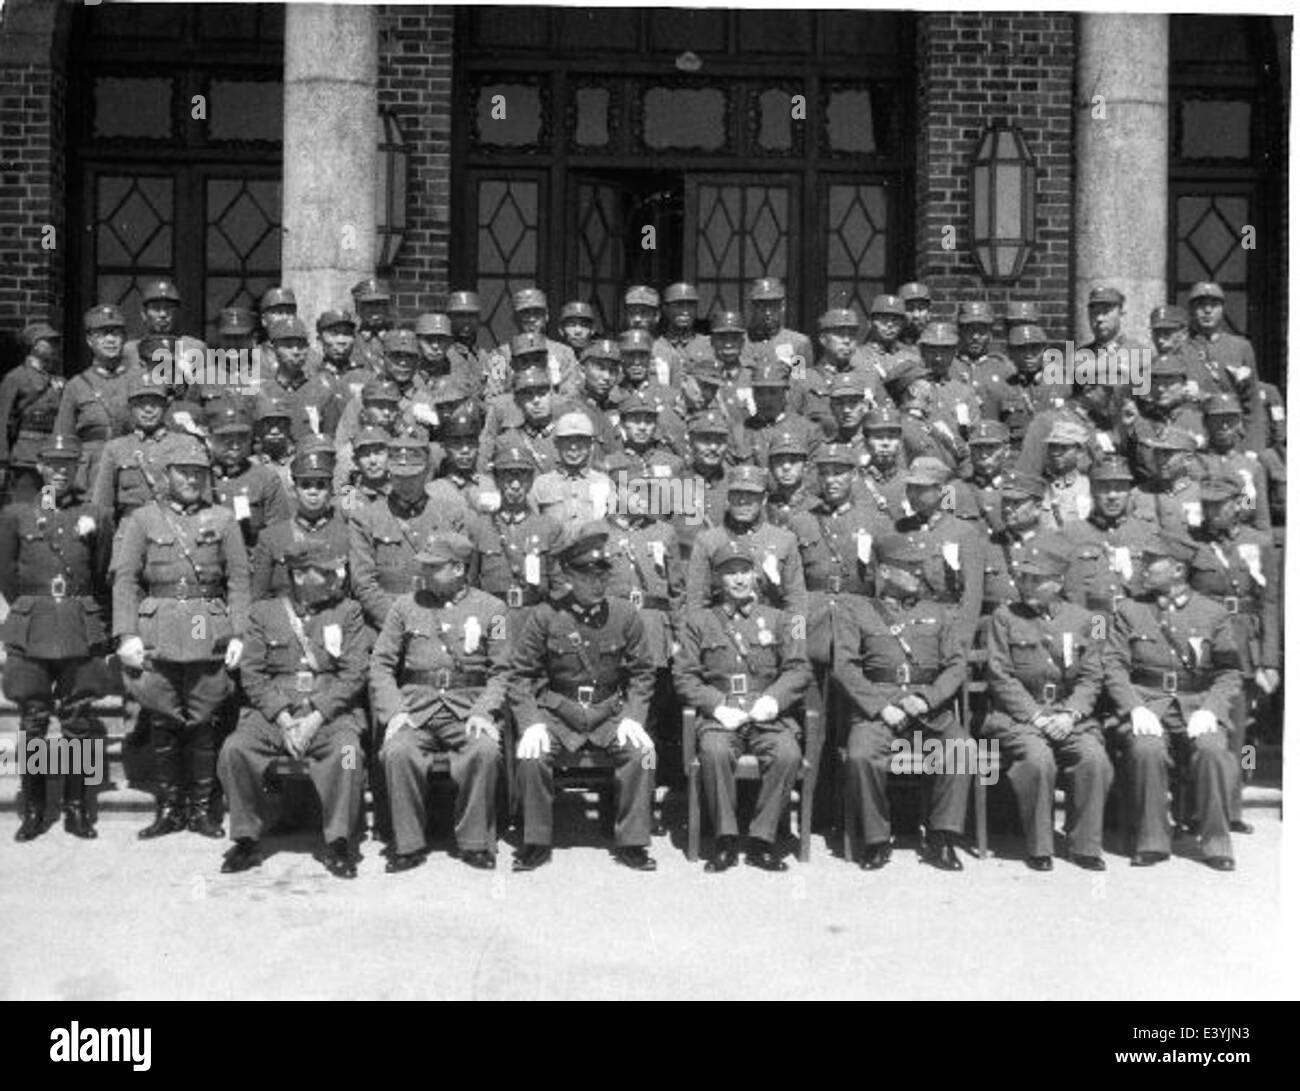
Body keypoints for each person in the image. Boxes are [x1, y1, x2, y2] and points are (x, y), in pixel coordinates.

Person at [112, 432, 251, 839]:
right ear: (166, 474)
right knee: (163, 720)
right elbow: (126, 579)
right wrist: (125, 634)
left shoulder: (223, 520)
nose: (191, 479)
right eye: (183, 472)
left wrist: (239, 632)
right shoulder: (143, 519)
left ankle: (202, 808)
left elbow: (239, 578)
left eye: (198, 472)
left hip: (207, 628)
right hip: (157, 629)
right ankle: (170, 807)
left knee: (205, 720)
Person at [508, 521, 659, 872]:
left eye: (602, 576)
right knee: (532, 756)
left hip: (609, 713)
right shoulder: (545, 616)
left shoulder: (625, 614)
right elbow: (520, 675)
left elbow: (642, 672)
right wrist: (530, 722)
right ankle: (535, 841)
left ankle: (633, 842)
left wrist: (635, 717)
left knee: (642, 754)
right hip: (559, 713)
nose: (596, 584)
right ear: (568, 577)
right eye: (587, 577)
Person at [216, 544, 368, 878]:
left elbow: (355, 672)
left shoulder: (349, 611)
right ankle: (246, 839)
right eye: (325, 572)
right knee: (234, 750)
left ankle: (339, 841)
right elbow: (252, 674)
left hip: (329, 711)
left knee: (348, 754)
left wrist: (315, 716)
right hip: (275, 711)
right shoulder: (263, 612)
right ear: (299, 576)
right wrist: (283, 718)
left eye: (335, 571)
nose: (335, 578)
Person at [1104, 530, 1242, 870]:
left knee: (1212, 750)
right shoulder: (1130, 611)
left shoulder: (1213, 613)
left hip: (1196, 704)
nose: (1144, 566)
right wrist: (1133, 706)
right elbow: (1113, 666)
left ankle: (1217, 841)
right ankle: (1152, 840)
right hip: (1148, 702)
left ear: (1178, 570)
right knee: (1146, 749)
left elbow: (1229, 673)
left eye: (1152, 561)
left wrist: (1211, 709)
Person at [373, 532, 510, 872]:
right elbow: (381, 664)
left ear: (459, 568)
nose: (426, 572)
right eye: (425, 566)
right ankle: (407, 844)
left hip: (467, 710)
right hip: (416, 709)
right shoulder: (403, 607)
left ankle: (475, 842)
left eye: (435, 567)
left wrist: (484, 711)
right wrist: (394, 712)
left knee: (485, 750)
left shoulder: (493, 610)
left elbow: (502, 670)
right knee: (397, 751)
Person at [0, 435, 112, 840]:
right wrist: (34, 606)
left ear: (79, 468)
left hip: (79, 622)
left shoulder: (95, 513)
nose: (61, 471)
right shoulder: (17, 514)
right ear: (41, 468)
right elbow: (7, 574)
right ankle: (34, 809)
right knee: (32, 719)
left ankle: (77, 807)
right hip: (32, 624)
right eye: (53, 464)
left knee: (79, 718)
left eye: (69, 464)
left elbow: (101, 574)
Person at [834, 533, 969, 871]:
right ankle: (876, 840)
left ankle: (942, 837)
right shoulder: (857, 610)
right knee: (862, 755)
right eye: (909, 569)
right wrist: (882, 707)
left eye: (920, 568)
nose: (919, 575)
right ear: (884, 573)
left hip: (928, 711)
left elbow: (956, 665)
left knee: (962, 749)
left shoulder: (938, 611)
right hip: (879, 710)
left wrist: (928, 698)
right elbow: (845, 667)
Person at [674, 540, 811, 872]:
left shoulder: (784, 619)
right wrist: (718, 706)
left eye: (744, 571)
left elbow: (799, 669)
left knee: (788, 754)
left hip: (767, 714)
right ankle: (725, 838)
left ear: (756, 576)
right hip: (722, 716)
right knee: (715, 752)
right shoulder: (698, 621)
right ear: (717, 580)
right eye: (729, 573)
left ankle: (762, 840)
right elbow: (684, 676)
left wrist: (773, 700)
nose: (738, 580)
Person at [983, 545, 1112, 871]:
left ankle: (1085, 845)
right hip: (1020, 717)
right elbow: (1001, 676)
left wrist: (1070, 715)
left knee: (1093, 758)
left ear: (1056, 582)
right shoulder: (1004, 617)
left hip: (1070, 717)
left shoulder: (1090, 620)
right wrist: (1038, 717)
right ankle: (1039, 846)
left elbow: (1092, 676)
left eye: (1034, 579)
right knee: (1038, 760)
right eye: (1023, 577)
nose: (1024, 584)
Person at [251, 445, 351, 600]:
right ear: (294, 489)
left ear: (331, 490)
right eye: (305, 485)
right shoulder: (271, 538)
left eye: (320, 485)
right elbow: (258, 597)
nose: (313, 491)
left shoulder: (347, 535)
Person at [57, 305, 134, 492]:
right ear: (90, 340)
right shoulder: (76, 385)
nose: (110, 339)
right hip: (91, 474)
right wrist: (50, 503)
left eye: (116, 333)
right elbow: (60, 442)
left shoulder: (139, 380)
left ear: (124, 338)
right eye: (102, 334)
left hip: (131, 467)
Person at [0, 321, 65, 504]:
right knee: (24, 506)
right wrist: (2, 460)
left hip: (52, 455)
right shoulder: (15, 378)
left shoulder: (57, 381)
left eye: (55, 342)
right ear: (34, 345)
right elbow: (2, 419)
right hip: (25, 455)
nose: (54, 346)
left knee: (48, 506)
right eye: (48, 341)